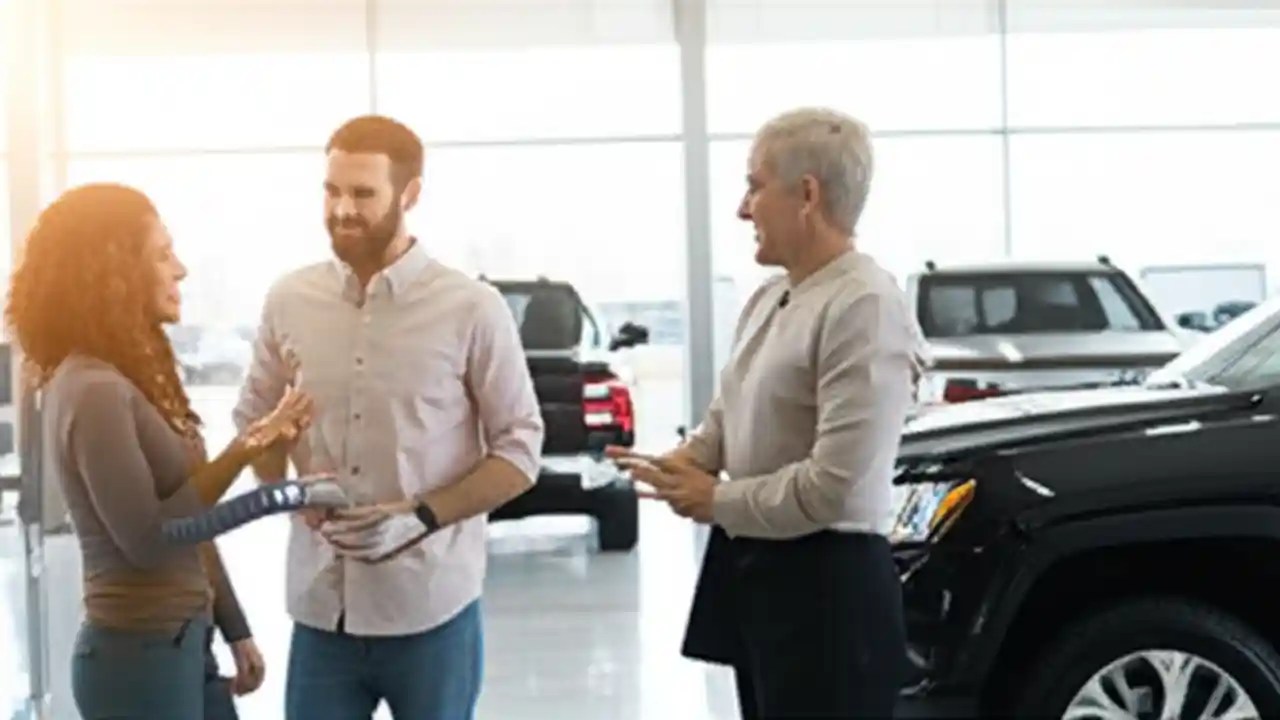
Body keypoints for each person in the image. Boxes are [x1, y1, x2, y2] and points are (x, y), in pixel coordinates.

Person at [609, 107, 925, 719]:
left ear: (807, 194)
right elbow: (730, 412)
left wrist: (715, 500)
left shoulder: (864, 305)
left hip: (828, 595)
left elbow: (834, 487)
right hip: (760, 572)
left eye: (755, 186)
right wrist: (687, 460)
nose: (742, 208)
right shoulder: (771, 296)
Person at [232, 114, 544, 720]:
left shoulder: (472, 308)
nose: (342, 209)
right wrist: (284, 480)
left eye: (362, 194)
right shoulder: (289, 299)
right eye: (331, 191)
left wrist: (419, 518)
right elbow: (256, 437)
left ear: (411, 194)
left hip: (430, 608)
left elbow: (519, 450)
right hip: (321, 612)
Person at [4, 183, 315, 719]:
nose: (181, 270)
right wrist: (262, 473)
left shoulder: (133, 378)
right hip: (136, 660)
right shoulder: (93, 389)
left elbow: (190, 519)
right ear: (114, 273)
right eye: (163, 254)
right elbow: (150, 541)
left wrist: (234, 628)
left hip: (184, 644)